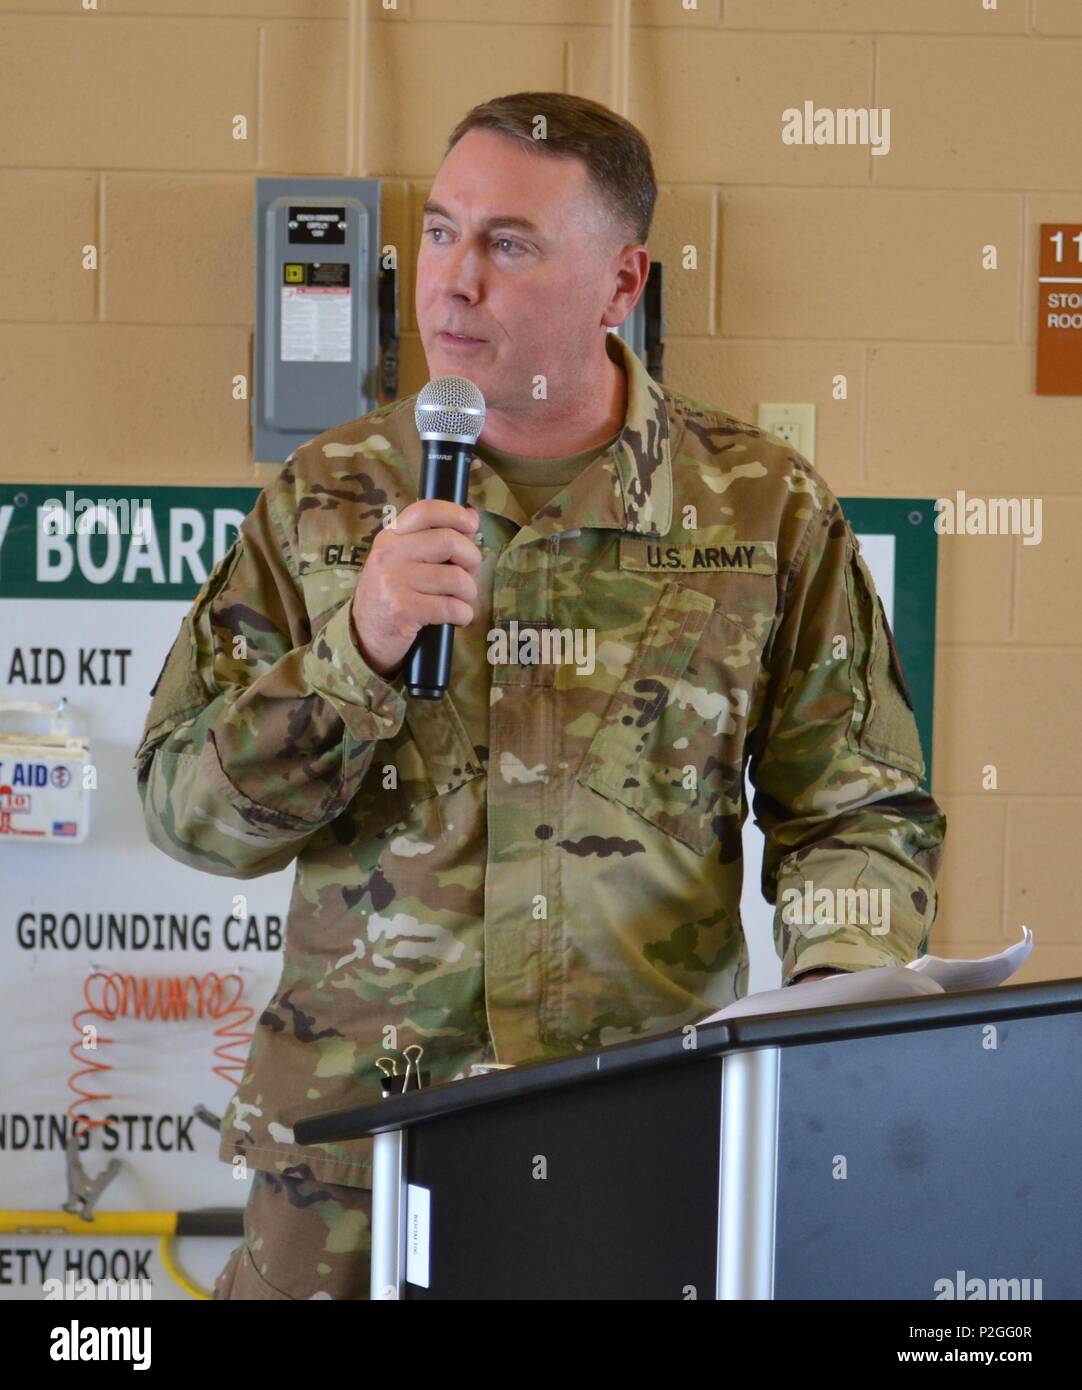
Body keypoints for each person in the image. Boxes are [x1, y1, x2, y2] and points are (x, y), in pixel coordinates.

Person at [135, 91, 946, 1300]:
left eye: (508, 244)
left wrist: (833, 985)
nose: (452, 282)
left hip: (634, 1140)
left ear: (620, 285)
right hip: (355, 1161)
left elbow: (858, 812)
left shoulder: (761, 510)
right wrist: (357, 649)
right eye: (443, 231)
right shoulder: (326, 496)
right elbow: (185, 811)